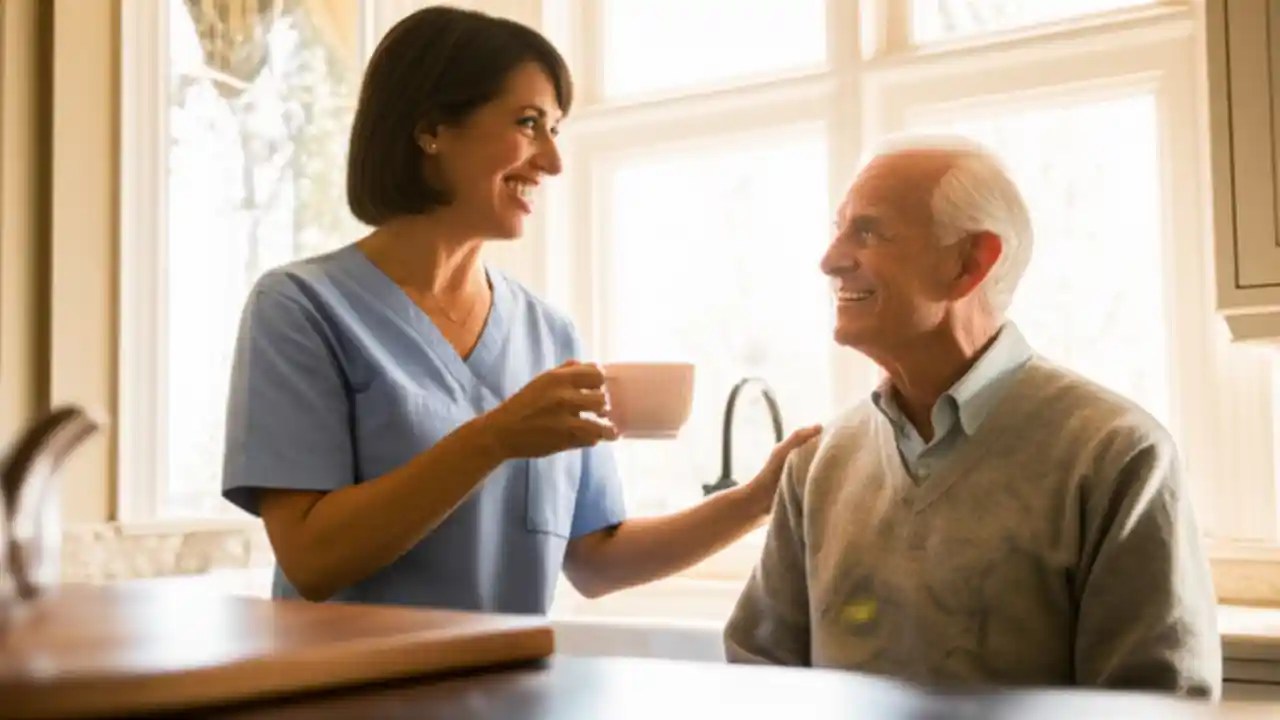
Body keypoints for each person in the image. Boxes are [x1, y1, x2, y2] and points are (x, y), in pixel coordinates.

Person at [220, 6, 820, 613]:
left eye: (555, 129)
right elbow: (312, 559)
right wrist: (495, 438)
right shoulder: (301, 308)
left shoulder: (549, 334)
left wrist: (756, 500)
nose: (553, 162)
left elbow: (596, 560)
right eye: (528, 123)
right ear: (432, 129)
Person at [722, 134, 1222, 698]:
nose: (830, 260)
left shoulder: (1117, 454)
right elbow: (758, 681)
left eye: (867, 231)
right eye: (839, 230)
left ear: (969, 263)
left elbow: (1156, 706)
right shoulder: (816, 467)